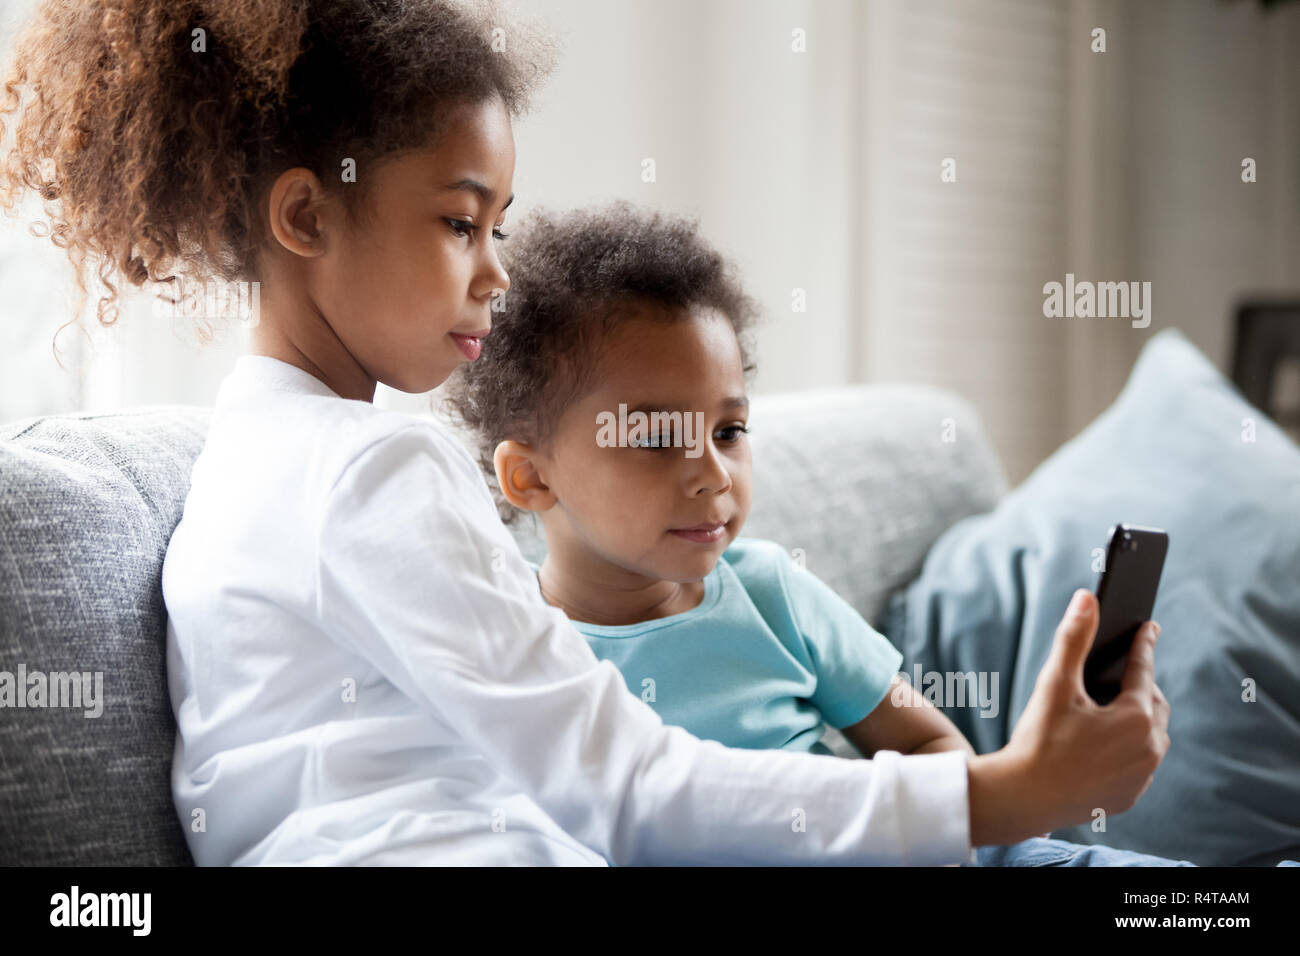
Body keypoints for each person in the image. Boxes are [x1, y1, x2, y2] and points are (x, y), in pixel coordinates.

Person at [0, 0, 1170, 866]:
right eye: (460, 222)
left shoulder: (244, 474)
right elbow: (626, 784)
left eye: (499, 224)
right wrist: (1001, 796)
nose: (495, 273)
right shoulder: (371, 468)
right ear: (307, 212)